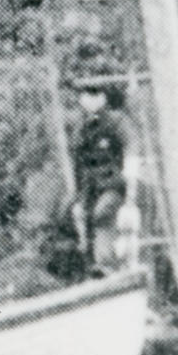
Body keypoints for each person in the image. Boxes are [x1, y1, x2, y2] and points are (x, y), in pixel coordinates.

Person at [69, 84, 135, 274]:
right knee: (74, 217)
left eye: (94, 94)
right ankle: (89, 269)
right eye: (85, 95)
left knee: (102, 213)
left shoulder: (116, 121)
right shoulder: (81, 129)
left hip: (113, 185)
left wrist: (130, 181)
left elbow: (131, 147)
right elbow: (78, 165)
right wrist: (78, 198)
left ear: (103, 98)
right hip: (90, 188)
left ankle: (107, 264)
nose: (88, 100)